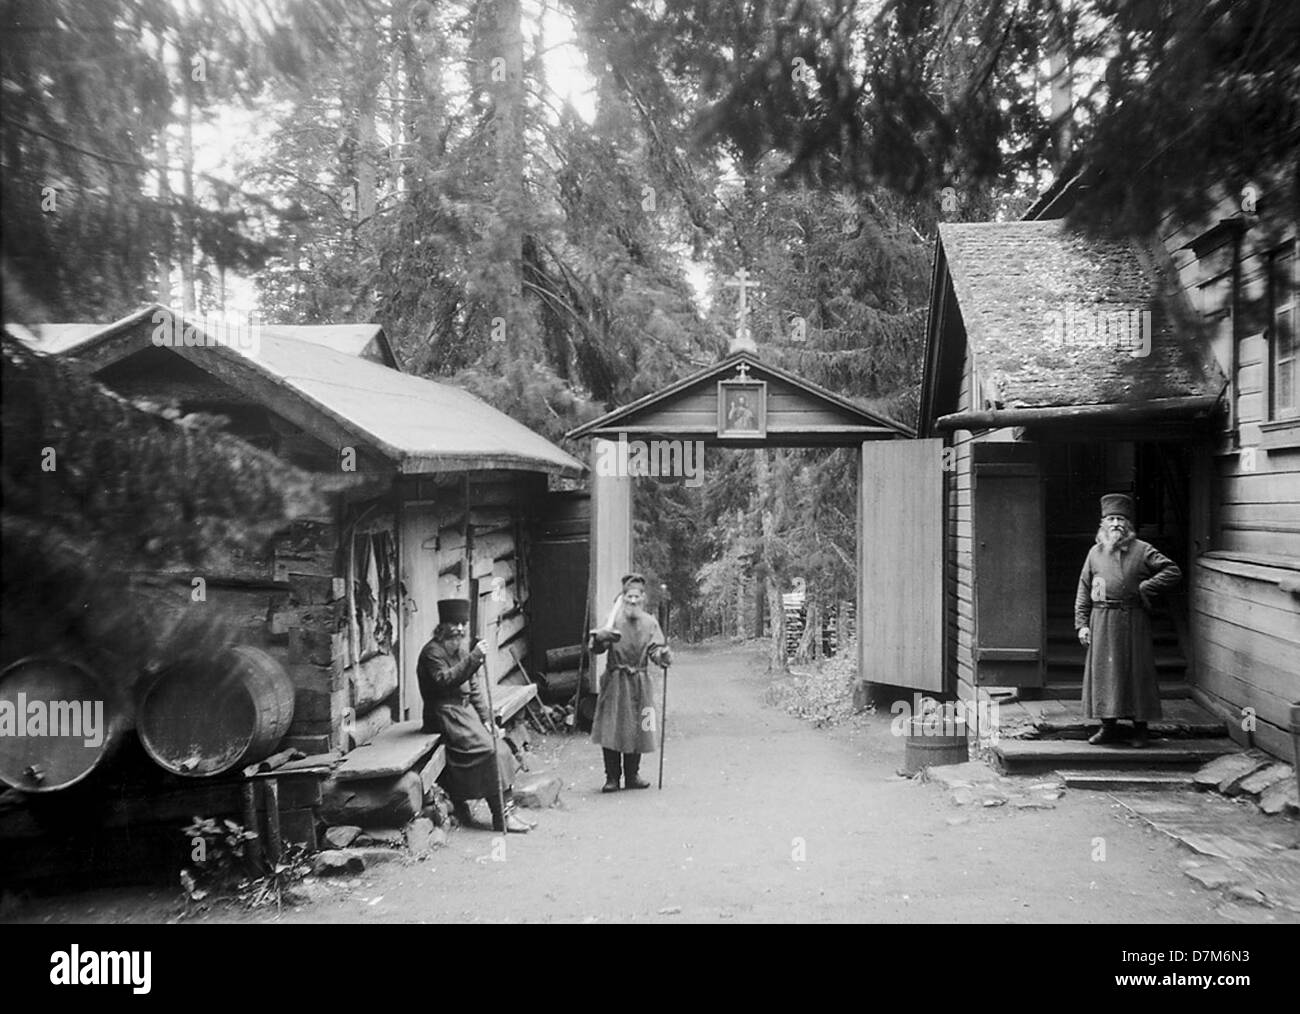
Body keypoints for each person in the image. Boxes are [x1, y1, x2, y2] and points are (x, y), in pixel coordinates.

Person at [1074, 494, 1182, 748]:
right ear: (1103, 524)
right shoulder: (1094, 553)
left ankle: (1140, 729)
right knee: (1105, 674)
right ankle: (1108, 727)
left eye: (1120, 519)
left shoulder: (1143, 550)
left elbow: (1172, 571)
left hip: (1133, 620)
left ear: (1128, 525)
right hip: (1101, 620)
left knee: (1137, 673)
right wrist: (1082, 624)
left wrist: (1146, 587)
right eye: (1111, 519)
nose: (1115, 524)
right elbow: (1083, 588)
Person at [416, 599, 533, 832]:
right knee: (488, 751)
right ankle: (501, 816)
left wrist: (488, 719)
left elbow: (474, 690)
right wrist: (474, 658)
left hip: (465, 712)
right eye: (454, 623)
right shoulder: (431, 653)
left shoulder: (461, 650)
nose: (459, 628)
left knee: (499, 747)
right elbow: (445, 681)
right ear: (442, 626)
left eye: (463, 623)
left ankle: (507, 812)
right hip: (443, 713)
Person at [589, 573, 672, 792]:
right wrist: (599, 639)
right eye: (629, 596)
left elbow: (655, 650)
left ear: (643, 598)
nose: (633, 601)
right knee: (612, 727)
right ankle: (612, 777)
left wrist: (662, 655)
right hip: (615, 681)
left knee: (640, 727)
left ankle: (632, 775)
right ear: (623, 597)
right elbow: (597, 648)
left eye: (637, 597)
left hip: (640, 682)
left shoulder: (650, 622)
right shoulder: (613, 620)